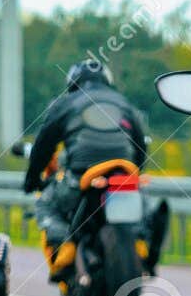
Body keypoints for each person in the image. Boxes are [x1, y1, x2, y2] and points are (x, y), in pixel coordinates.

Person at [22, 57, 148, 281]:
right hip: (124, 171)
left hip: (83, 176)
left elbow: (43, 145)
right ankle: (141, 244)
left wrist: (32, 179)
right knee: (143, 204)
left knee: (46, 204)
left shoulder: (65, 104)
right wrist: (136, 172)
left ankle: (66, 249)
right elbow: (141, 145)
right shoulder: (123, 102)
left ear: (72, 83)